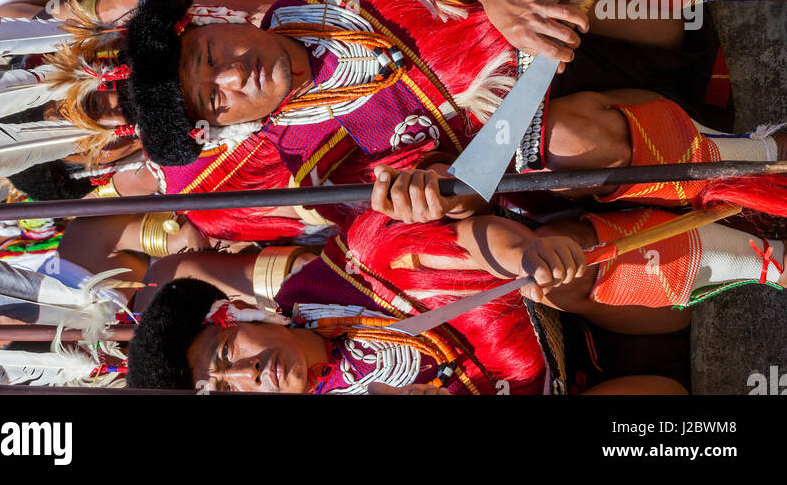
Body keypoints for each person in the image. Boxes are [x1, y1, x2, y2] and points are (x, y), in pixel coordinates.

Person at [51, 0, 787, 244]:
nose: (238, 74)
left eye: (212, 56)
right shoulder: (324, 173)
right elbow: (469, 198)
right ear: (224, 129)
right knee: (556, 150)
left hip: (603, 19)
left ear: (215, 23)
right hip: (570, 127)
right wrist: (446, 203)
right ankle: (760, 157)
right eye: (217, 98)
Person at [124, 191, 786, 394]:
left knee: (563, 268)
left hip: (583, 310)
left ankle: (768, 259)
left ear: (235, 313)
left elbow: (470, 236)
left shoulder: (358, 265)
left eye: (226, 351)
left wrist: (524, 252)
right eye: (227, 386)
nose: (250, 373)